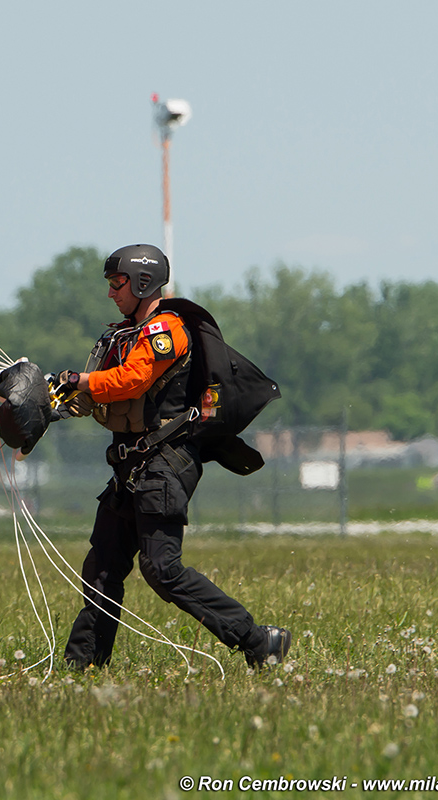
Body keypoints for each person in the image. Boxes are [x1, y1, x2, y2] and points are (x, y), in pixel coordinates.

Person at [52, 244, 289, 670]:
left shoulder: (167, 330)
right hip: (129, 467)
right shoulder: (121, 335)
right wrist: (47, 400)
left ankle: (257, 641)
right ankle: (82, 666)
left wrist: (79, 379)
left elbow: (131, 380)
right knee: (102, 569)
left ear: (143, 281)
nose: (110, 293)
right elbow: (98, 392)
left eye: (116, 283)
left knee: (161, 568)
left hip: (163, 466)